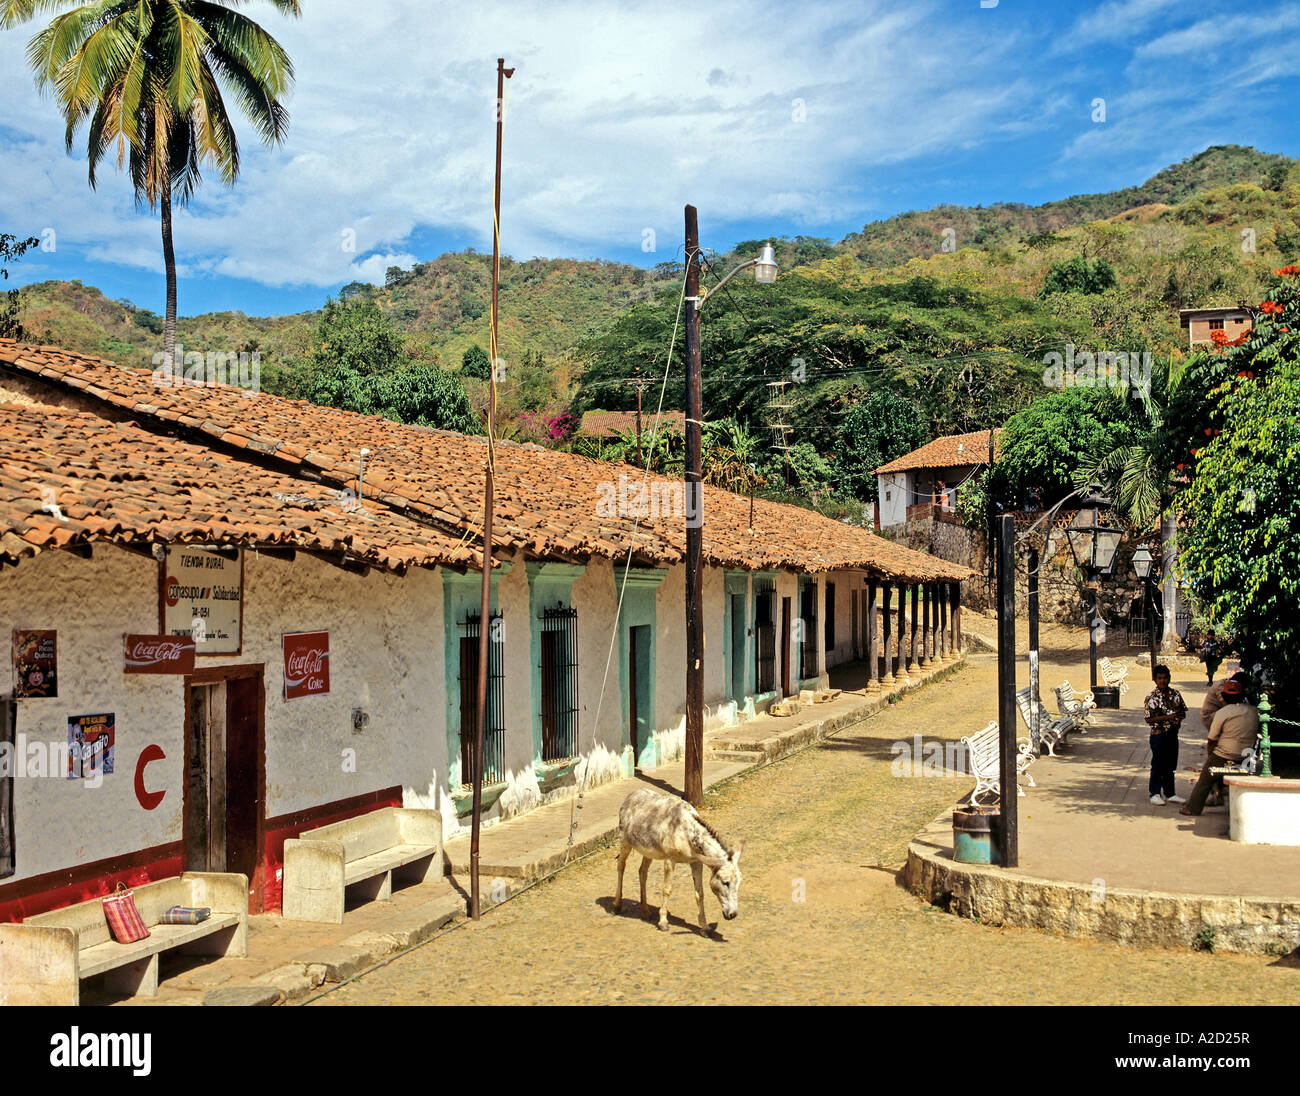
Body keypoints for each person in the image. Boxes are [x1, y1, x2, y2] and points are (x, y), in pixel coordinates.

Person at [1181, 678, 1260, 816]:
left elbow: (1212, 740)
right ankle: (1220, 795)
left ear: (1224, 696)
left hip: (1224, 755)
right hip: (1247, 756)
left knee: (1205, 778)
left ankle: (1192, 808)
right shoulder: (1254, 711)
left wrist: (1211, 756)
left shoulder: (1223, 712)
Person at [1143, 664, 1187, 805]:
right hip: (1158, 735)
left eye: (1165, 678)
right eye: (1159, 678)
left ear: (1169, 678)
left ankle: (1170, 793)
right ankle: (1154, 793)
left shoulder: (1175, 694)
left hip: (1172, 734)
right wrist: (1168, 717)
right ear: (1155, 680)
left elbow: (1182, 712)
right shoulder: (1152, 697)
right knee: (1158, 764)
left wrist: (1178, 719)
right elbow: (1149, 719)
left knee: (1170, 765)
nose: (1162, 681)